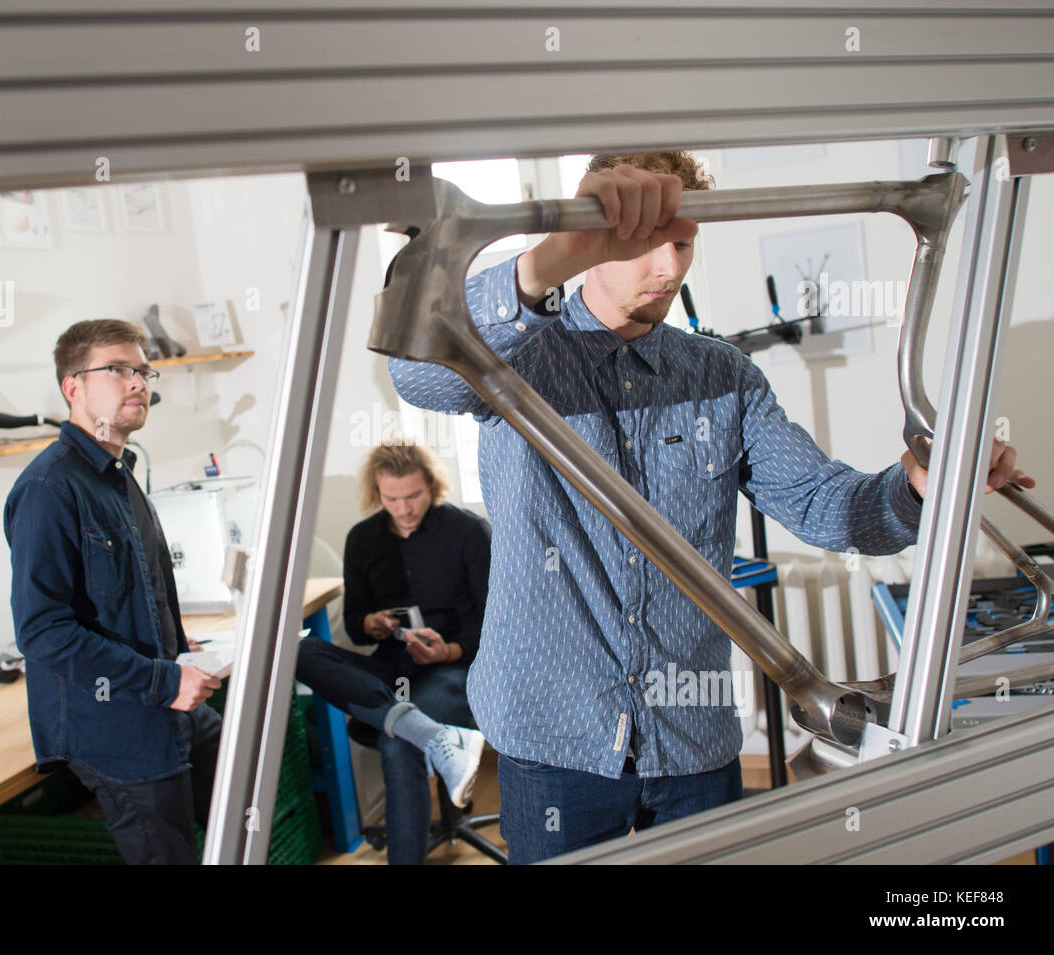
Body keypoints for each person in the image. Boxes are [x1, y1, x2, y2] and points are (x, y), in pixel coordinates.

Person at [387, 151, 1036, 864]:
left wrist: (917, 484)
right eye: (645, 241)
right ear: (590, 238)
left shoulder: (723, 376)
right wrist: (548, 259)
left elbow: (828, 506)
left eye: (685, 242)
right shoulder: (511, 358)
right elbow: (417, 373)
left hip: (691, 737)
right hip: (553, 743)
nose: (670, 267)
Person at [4, 319, 222, 865]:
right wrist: (161, 679)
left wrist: (175, 643)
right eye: (118, 369)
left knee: (244, 815)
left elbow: (134, 588)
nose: (138, 383)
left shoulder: (118, 474)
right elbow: (42, 631)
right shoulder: (48, 489)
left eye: (142, 370)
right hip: (120, 726)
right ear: (72, 387)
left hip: (171, 704)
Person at [296, 440, 490, 864]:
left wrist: (449, 650)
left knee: (398, 741)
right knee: (301, 651)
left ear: (432, 486)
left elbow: (497, 626)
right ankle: (428, 733)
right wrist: (370, 623)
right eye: (392, 499)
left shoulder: (470, 532)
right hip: (390, 669)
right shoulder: (362, 539)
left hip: (454, 670)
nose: (404, 509)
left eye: (414, 496)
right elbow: (354, 627)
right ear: (377, 494)